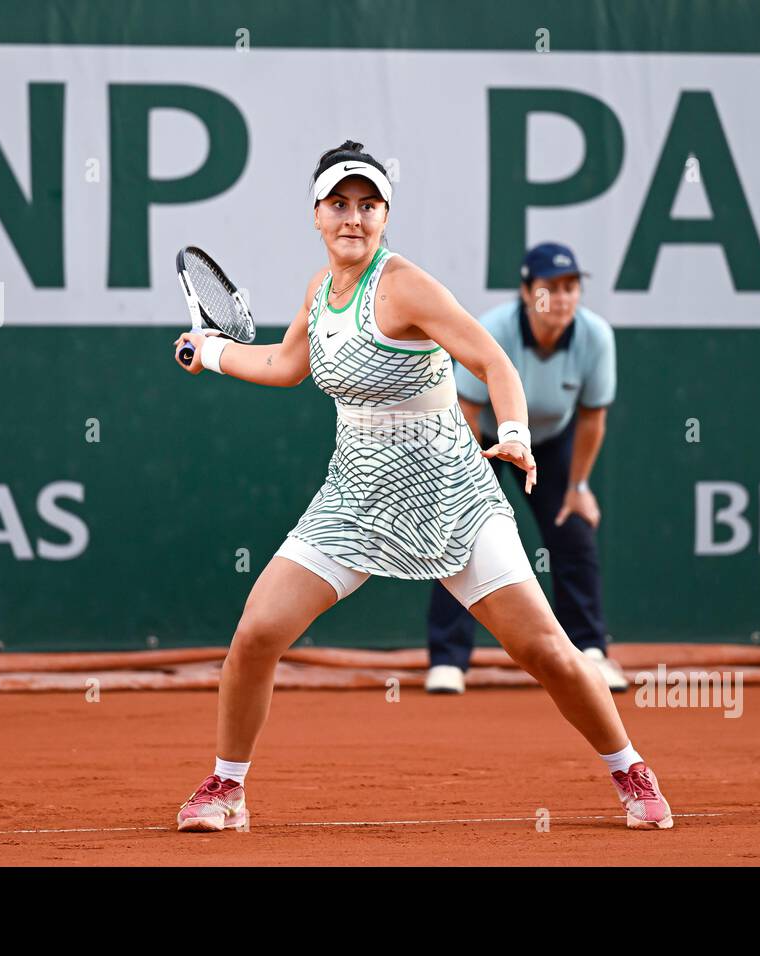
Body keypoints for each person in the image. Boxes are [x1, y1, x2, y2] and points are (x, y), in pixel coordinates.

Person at [171, 141, 672, 831]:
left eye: (368, 205)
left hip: (450, 496)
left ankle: (629, 768)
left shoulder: (405, 284)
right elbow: (289, 364)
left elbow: (492, 360)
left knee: (546, 652)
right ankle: (226, 790)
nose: (354, 217)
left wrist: (517, 434)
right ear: (316, 213)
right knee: (257, 633)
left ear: (385, 216)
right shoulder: (321, 290)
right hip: (354, 499)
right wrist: (215, 352)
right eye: (339, 204)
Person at [424, 243, 629, 695]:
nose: (562, 298)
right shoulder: (495, 330)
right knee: (458, 533)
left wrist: (578, 485)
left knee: (572, 529)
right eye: (549, 289)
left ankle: (591, 651)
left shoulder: (596, 337)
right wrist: (465, 474)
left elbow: (593, 417)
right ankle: (448, 660)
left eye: (571, 288)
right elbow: (467, 407)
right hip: (489, 439)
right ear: (525, 293)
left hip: (551, 443)